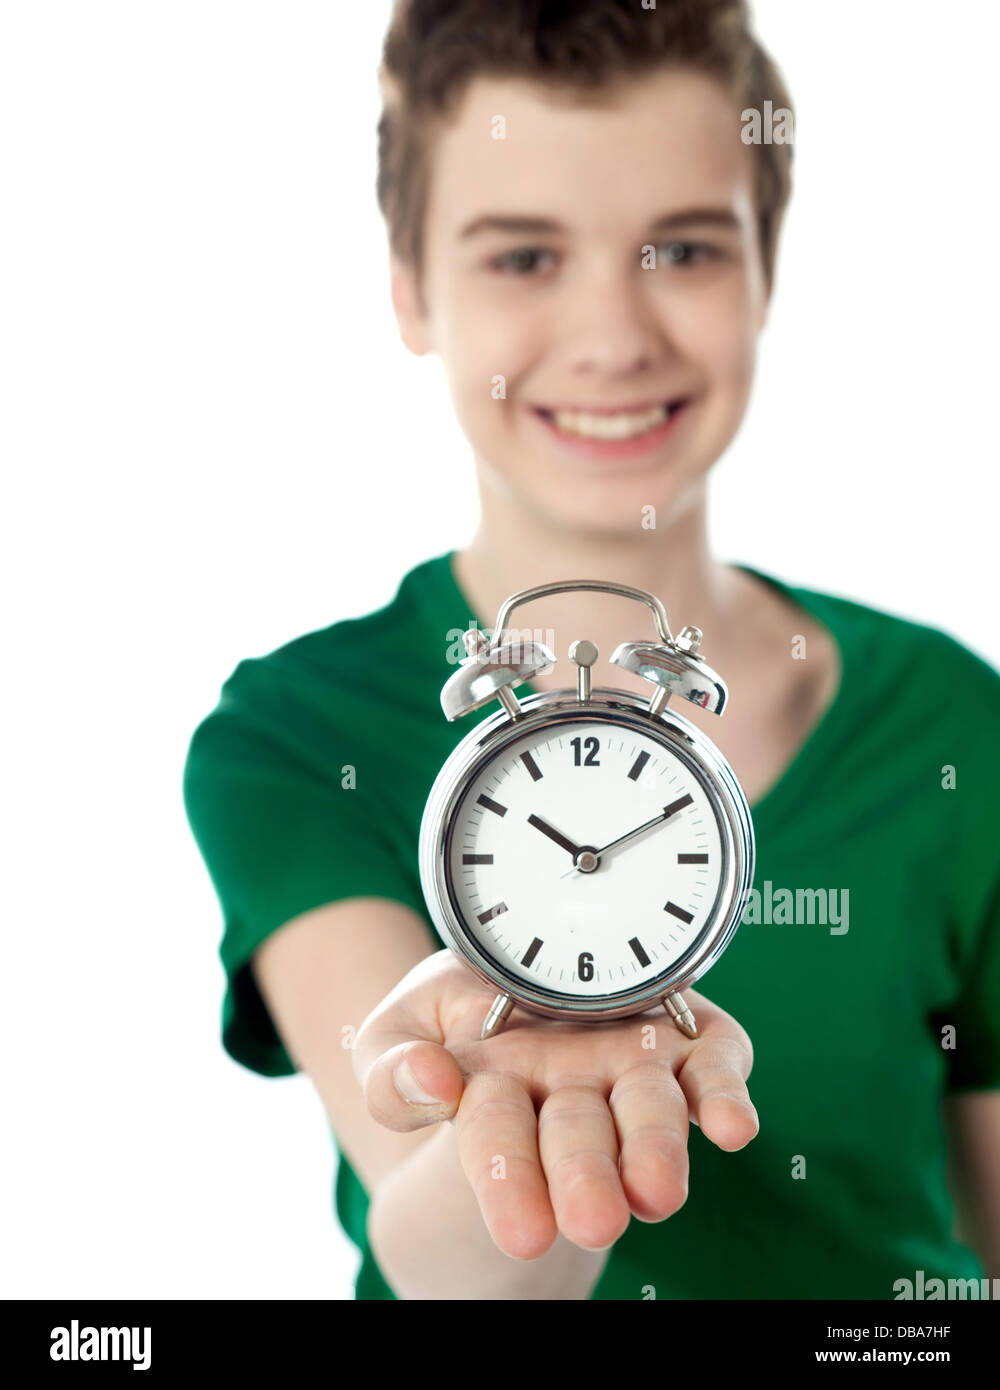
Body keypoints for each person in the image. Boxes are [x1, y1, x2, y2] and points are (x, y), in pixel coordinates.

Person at [182, 0, 1000, 1301]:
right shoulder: (297, 735)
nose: (616, 336)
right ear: (409, 286)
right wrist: (516, 1105)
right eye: (522, 256)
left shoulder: (960, 727)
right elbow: (432, 1235)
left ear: (767, 271)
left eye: (683, 246)